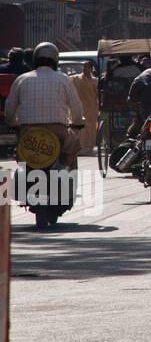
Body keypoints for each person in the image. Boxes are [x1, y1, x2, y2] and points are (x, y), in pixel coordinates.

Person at [4, 43, 85, 228]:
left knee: (22, 159)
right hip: (58, 131)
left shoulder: (22, 79)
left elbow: (9, 109)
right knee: (71, 151)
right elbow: (76, 106)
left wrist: (13, 124)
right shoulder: (63, 79)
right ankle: (67, 191)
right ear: (55, 60)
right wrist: (78, 122)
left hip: (28, 133)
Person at [68, 60, 100, 155]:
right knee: (81, 128)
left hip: (92, 107)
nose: (85, 69)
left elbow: (98, 94)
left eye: (87, 67)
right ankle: (80, 148)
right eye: (84, 67)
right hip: (79, 107)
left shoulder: (95, 81)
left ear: (91, 68)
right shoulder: (75, 78)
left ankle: (89, 148)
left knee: (92, 129)